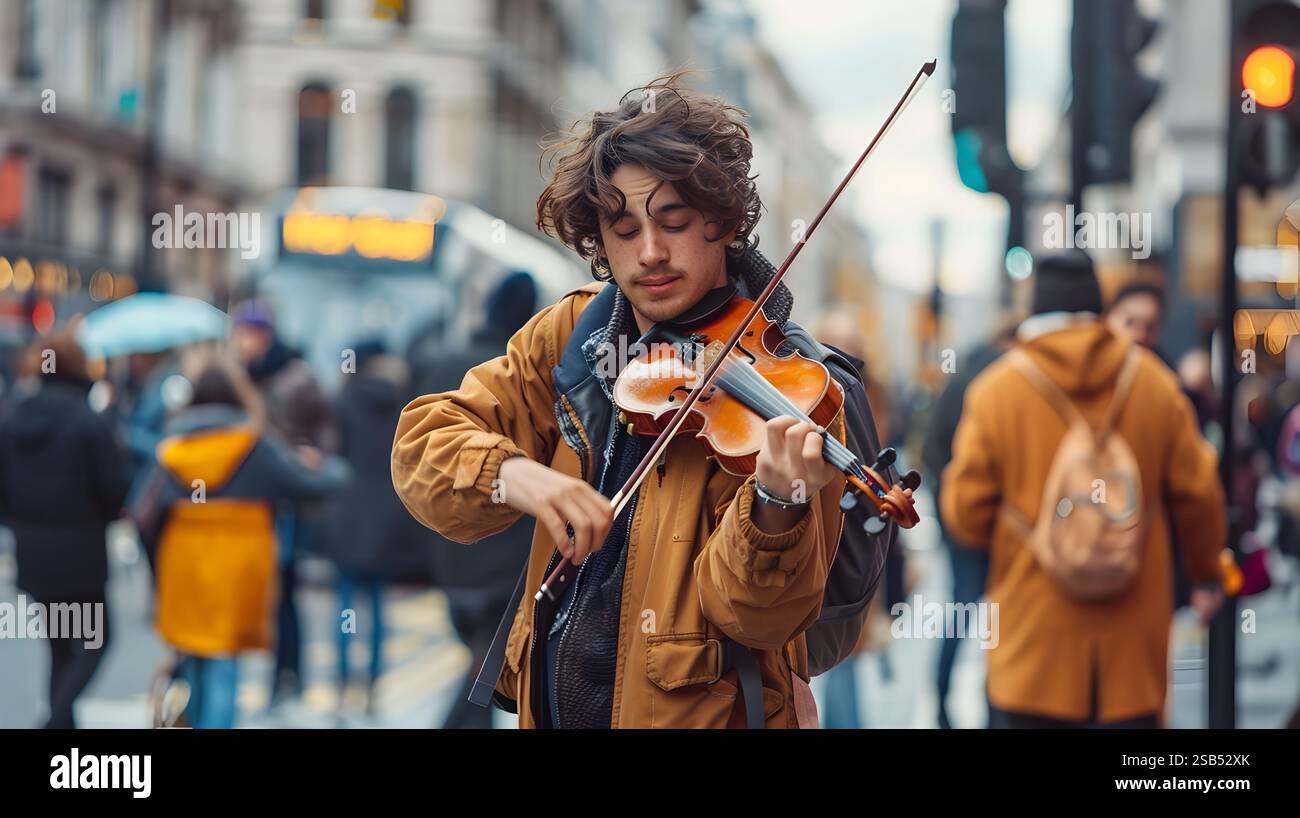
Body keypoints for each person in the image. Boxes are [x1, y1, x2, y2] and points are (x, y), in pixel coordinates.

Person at [392, 71, 890, 728]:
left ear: (722, 220)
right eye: (623, 230)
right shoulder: (571, 336)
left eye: (674, 222)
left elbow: (757, 617)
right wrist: (516, 475)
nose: (650, 252)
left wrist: (777, 507)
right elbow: (423, 444)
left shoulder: (790, 387)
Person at [941, 252, 1227, 728]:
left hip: (1032, 657)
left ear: (1034, 308)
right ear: (1099, 306)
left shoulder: (996, 391)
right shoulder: (1154, 383)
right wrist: (1204, 573)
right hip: (1130, 663)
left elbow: (965, 514)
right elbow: (1199, 493)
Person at [129, 356, 349, 728]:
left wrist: (156, 578)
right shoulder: (254, 446)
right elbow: (313, 486)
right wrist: (328, 464)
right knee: (225, 664)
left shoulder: (172, 450)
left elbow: (143, 514)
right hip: (240, 567)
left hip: (184, 566)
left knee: (193, 656)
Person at [412, 272, 541, 729]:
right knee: (483, 679)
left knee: (481, 668)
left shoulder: (445, 363)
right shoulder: (530, 380)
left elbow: (420, 461)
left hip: (449, 554)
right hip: (505, 566)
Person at [0, 326, 129, 728]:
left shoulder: (12, 418)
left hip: (33, 552)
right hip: (81, 555)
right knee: (97, 641)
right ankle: (56, 720)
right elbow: (115, 489)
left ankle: (61, 729)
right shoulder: (89, 423)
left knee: (60, 646)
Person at [231, 301, 337, 703]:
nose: (244, 341)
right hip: (248, 500)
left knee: (283, 588)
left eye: (251, 333)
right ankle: (266, 673)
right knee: (256, 590)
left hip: (283, 502)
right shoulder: (239, 376)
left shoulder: (295, 376)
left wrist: (307, 455)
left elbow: (325, 437)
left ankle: (288, 674)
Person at [319, 339, 429, 717]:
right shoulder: (401, 402)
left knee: (346, 606)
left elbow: (336, 455)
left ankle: (341, 689)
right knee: (380, 608)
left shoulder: (344, 401)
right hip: (387, 512)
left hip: (349, 512)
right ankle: (373, 694)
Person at [920, 320, 1015, 729]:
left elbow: (931, 450)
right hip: (983, 515)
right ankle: (992, 700)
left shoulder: (962, 375)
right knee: (994, 605)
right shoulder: (997, 379)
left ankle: (941, 697)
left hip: (957, 511)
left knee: (962, 604)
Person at [1104, 279, 1164, 352]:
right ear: (1108, 317)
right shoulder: (1088, 349)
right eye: (1130, 322)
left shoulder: (1159, 362)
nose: (1140, 336)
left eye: (1150, 328)